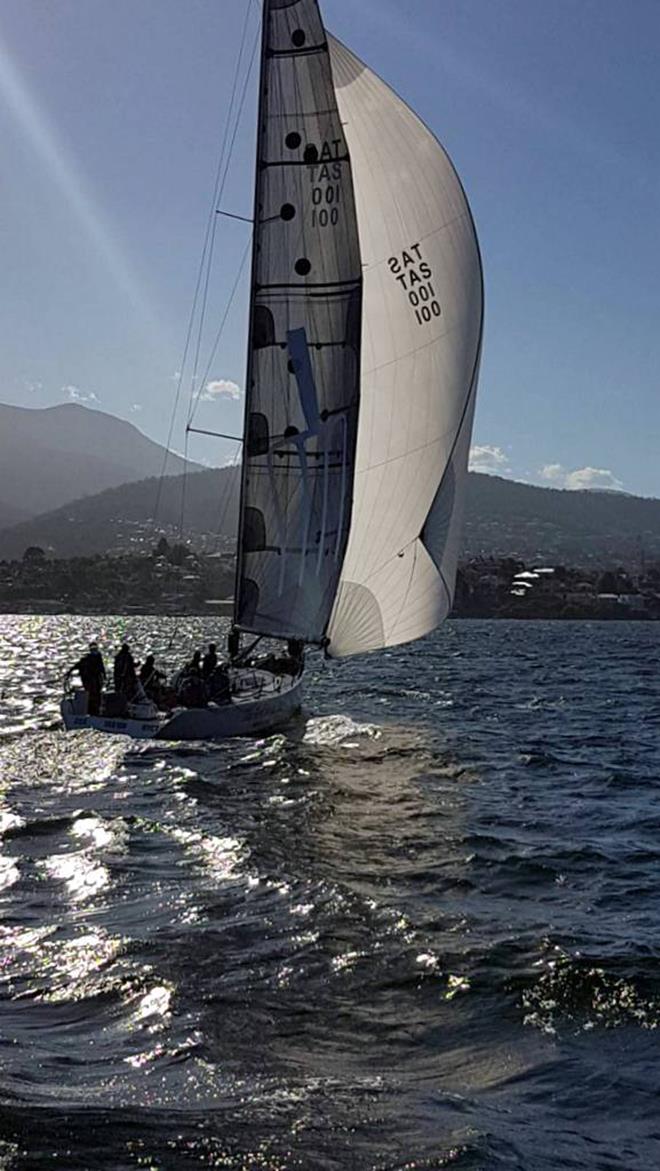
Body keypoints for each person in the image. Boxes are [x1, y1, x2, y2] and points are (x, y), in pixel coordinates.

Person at [66, 641, 106, 716]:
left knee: (96, 695)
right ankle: (92, 710)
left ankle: (95, 710)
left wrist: (104, 677)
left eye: (95, 648)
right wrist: (69, 672)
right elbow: (77, 665)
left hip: (96, 682)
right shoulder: (87, 659)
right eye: (92, 648)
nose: (94, 650)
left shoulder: (98, 659)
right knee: (92, 695)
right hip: (90, 682)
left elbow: (102, 669)